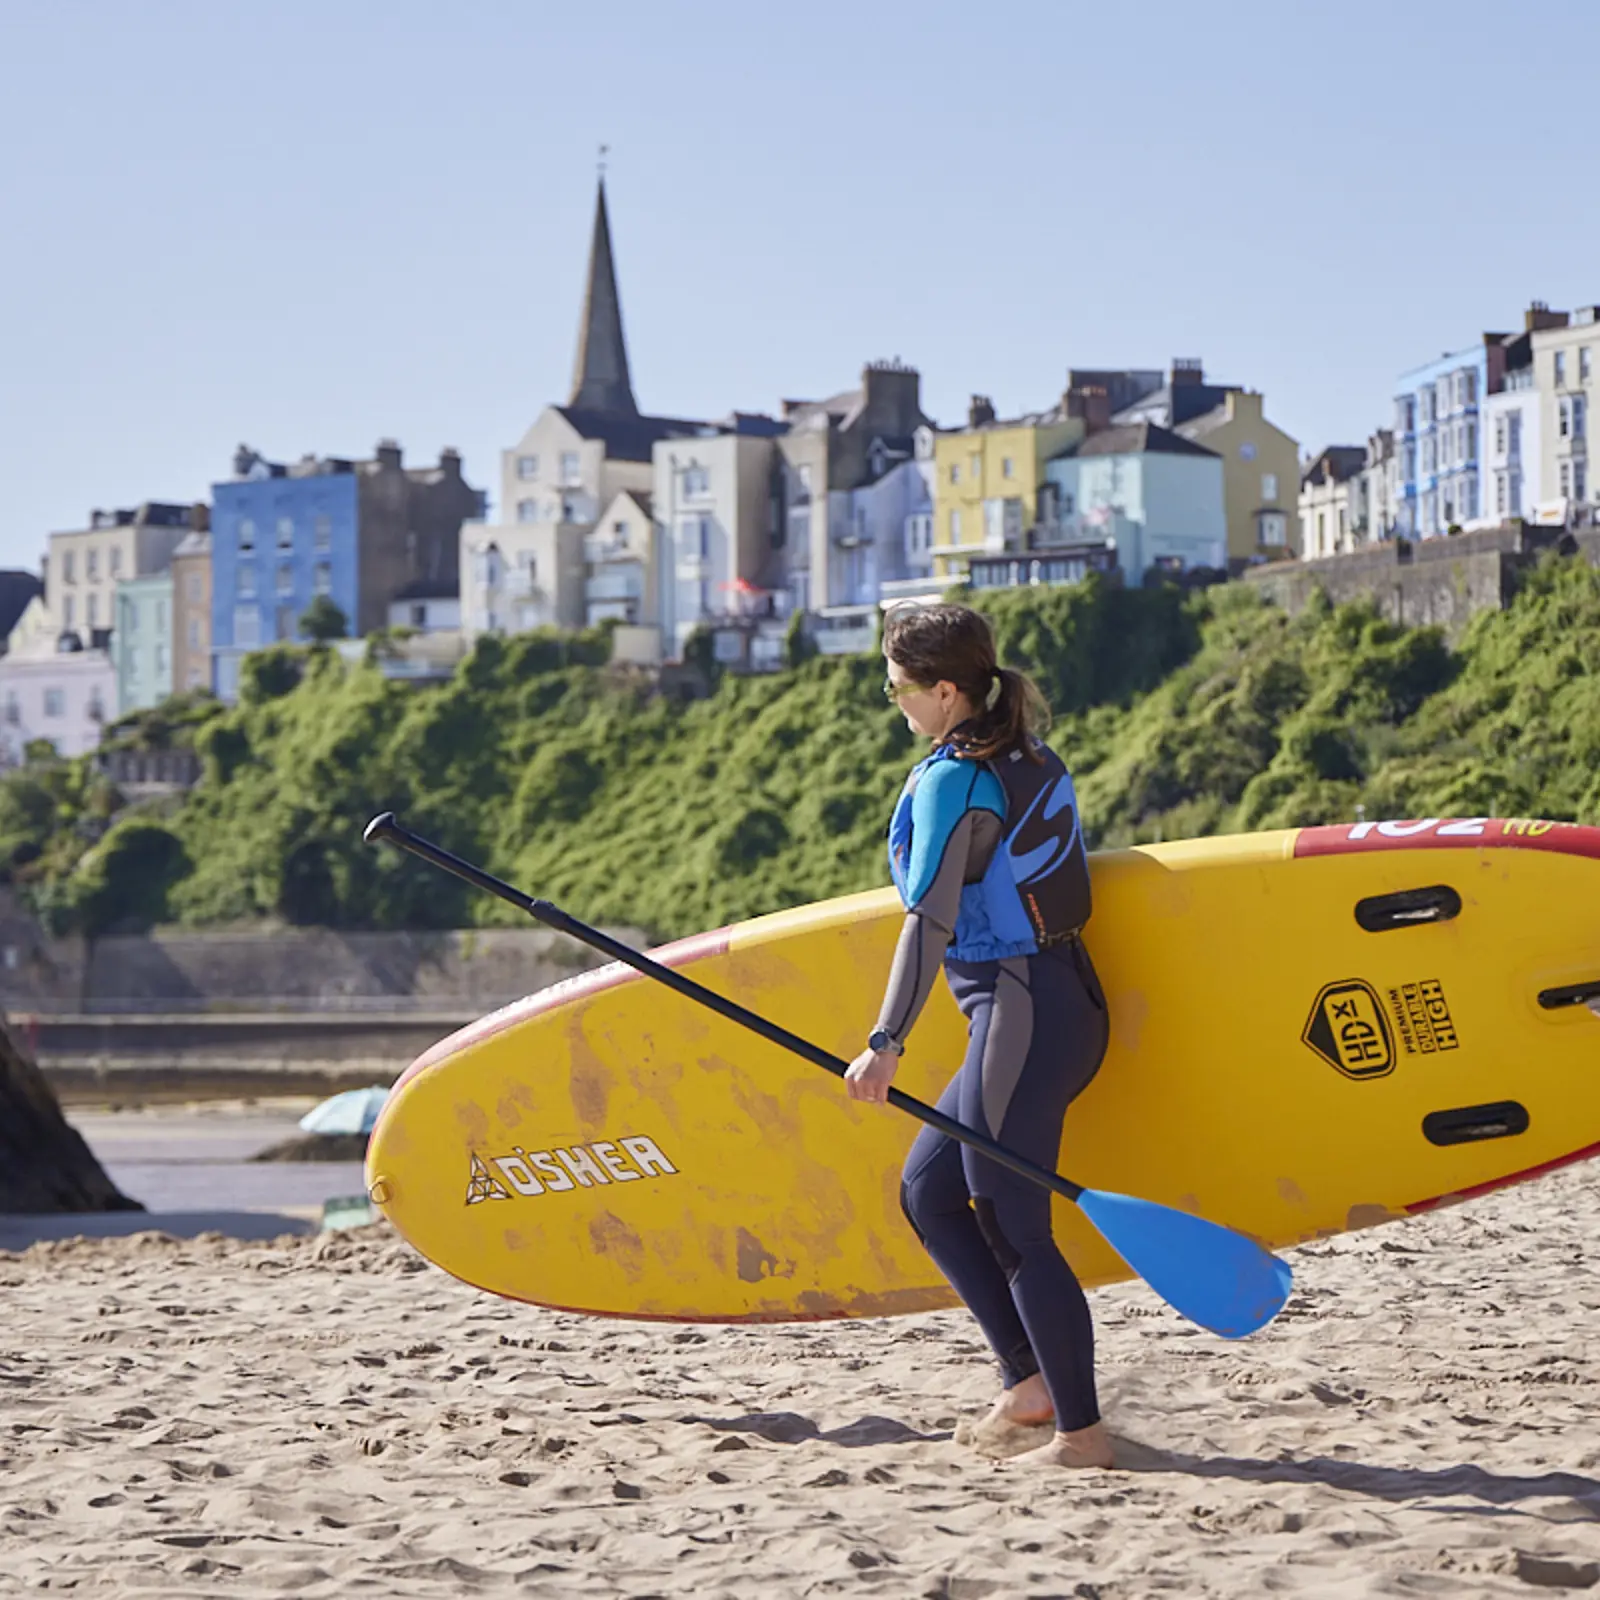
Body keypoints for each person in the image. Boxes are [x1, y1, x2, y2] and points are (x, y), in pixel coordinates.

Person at [844, 602, 1113, 1470]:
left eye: (900, 690)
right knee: (929, 1194)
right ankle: (1029, 1384)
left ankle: (1083, 1435)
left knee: (1013, 1226)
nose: (896, 703)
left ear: (946, 691)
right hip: (1051, 1002)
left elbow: (927, 922)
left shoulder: (955, 781)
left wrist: (885, 1042)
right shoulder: (1022, 749)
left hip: (1021, 1010)